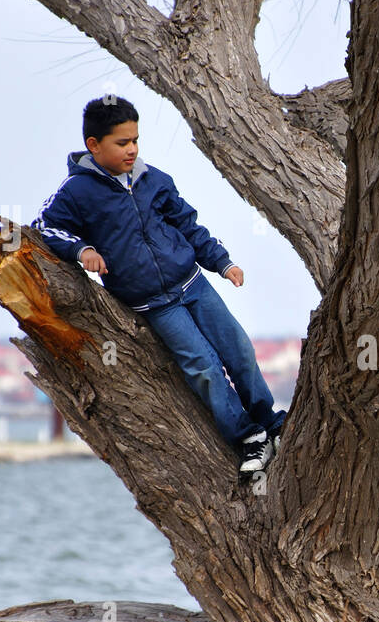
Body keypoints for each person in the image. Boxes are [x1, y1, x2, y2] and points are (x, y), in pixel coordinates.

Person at [31, 96, 286, 478]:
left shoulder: (154, 179)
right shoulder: (76, 192)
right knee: (203, 366)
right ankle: (248, 438)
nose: (132, 149)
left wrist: (222, 262)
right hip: (155, 305)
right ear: (93, 145)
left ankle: (271, 423)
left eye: (136, 140)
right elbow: (43, 227)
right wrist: (82, 248)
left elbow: (189, 225)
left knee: (239, 350)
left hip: (194, 284)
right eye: (122, 143)